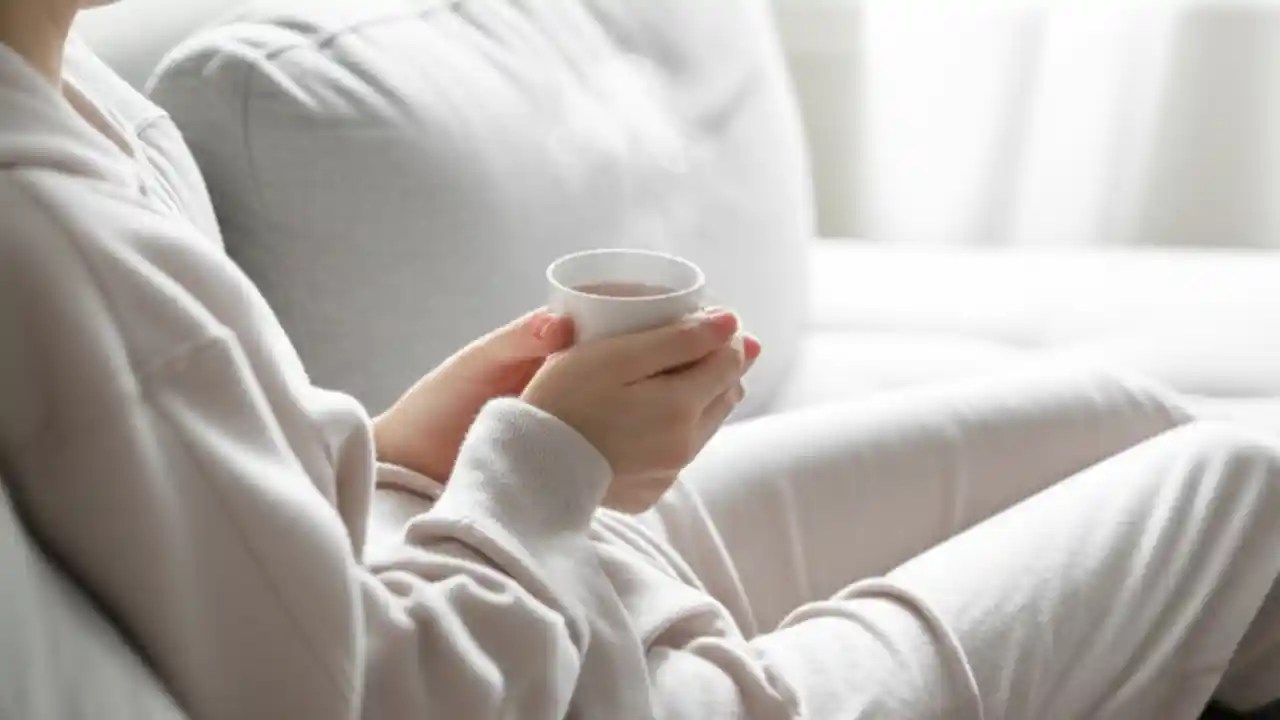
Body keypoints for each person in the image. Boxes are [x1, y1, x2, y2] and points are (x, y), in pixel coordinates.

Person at [2, 1, 1279, 718]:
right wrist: (547, 460)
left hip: (496, 596)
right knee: (1241, 489)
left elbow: (239, 529)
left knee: (1129, 413)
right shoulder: (47, 231)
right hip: (549, 687)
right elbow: (378, 699)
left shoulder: (80, 103)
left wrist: (407, 448)